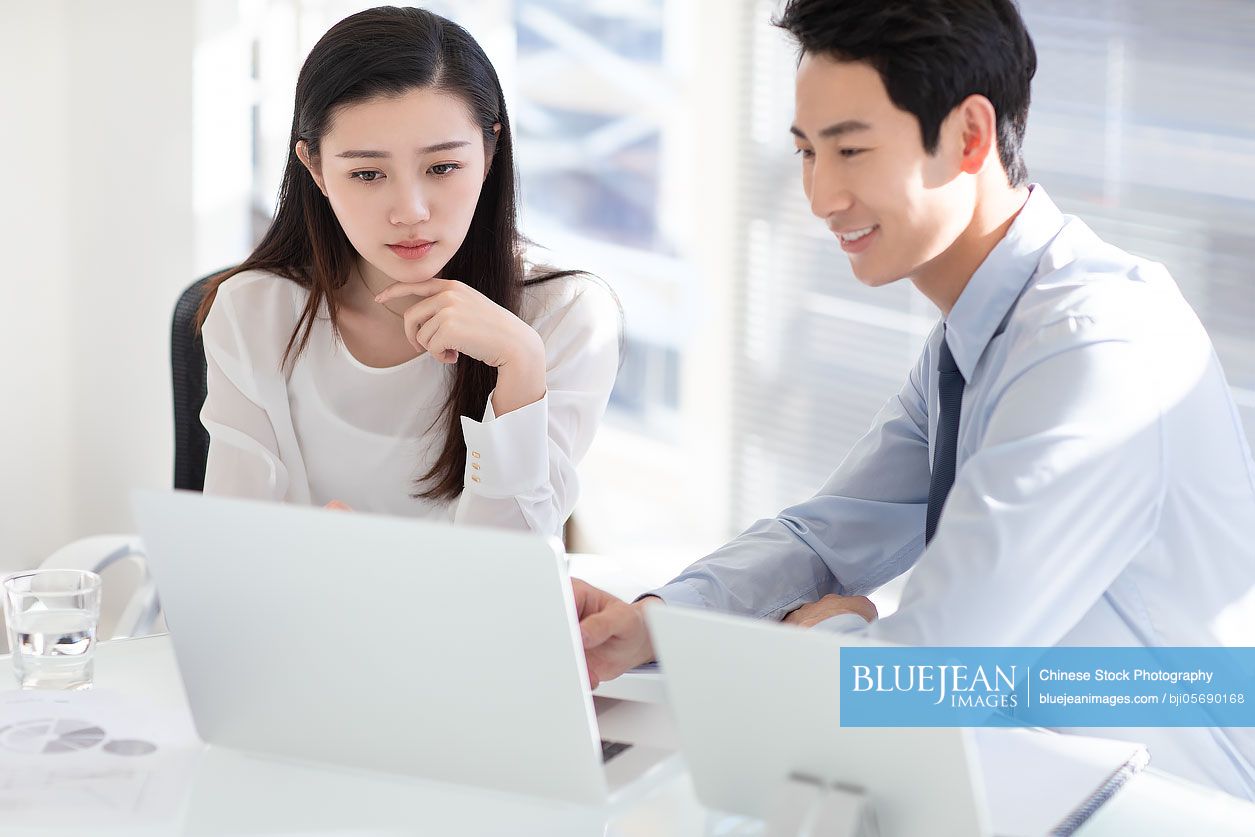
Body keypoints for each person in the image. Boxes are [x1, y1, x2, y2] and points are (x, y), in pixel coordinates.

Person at [573, 0, 1255, 799]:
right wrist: (660, 615)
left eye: (851, 151)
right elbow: (828, 535)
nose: (821, 196)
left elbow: (937, 671)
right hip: (1040, 773)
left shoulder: (1093, 348)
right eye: (804, 153)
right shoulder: (980, 335)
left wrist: (827, 631)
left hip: (1170, 801)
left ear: (968, 136)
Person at [196, 7, 620, 536]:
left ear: (489, 153)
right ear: (316, 169)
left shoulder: (566, 316)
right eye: (368, 173)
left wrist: (521, 368)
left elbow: (510, 575)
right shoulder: (253, 310)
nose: (410, 211)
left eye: (442, 167)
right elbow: (230, 559)